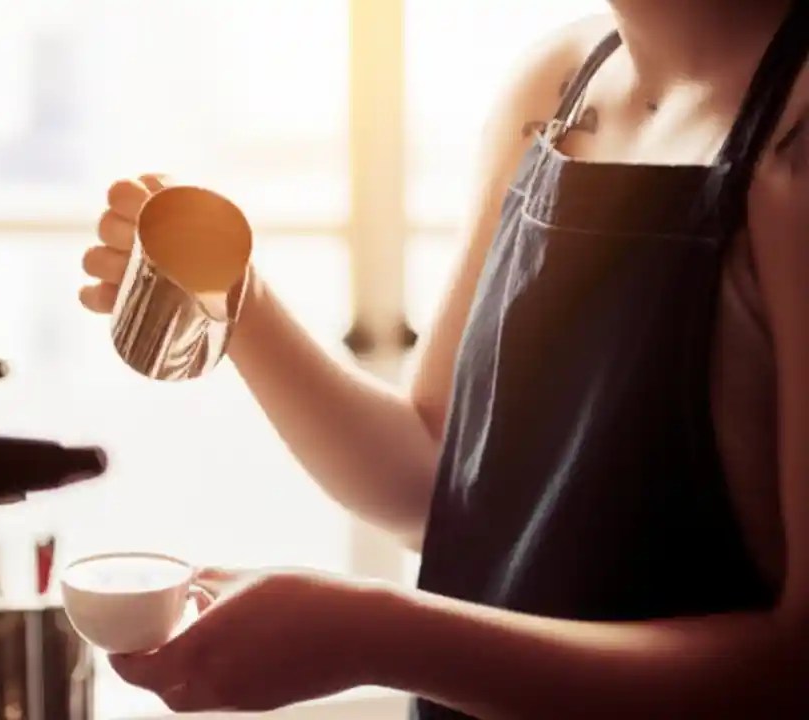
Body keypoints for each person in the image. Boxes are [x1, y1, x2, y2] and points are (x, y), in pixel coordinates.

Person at [77, 0, 809, 717]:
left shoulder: (794, 137)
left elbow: (794, 668)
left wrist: (376, 635)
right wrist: (240, 302)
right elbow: (431, 480)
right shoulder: (559, 84)